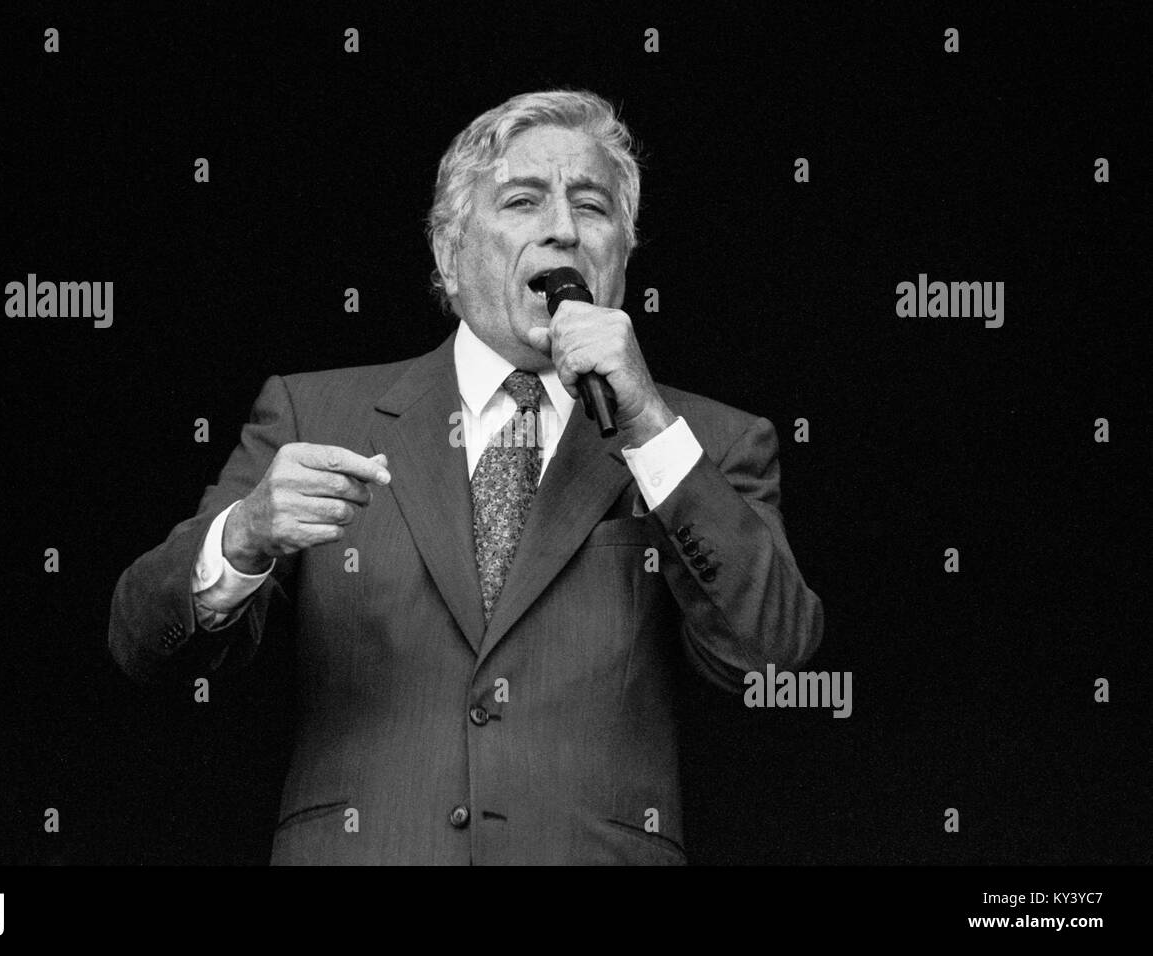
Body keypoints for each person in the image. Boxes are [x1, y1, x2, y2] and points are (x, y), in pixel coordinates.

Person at [109, 89, 824, 865]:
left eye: (592, 207)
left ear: (622, 253)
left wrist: (647, 422)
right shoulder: (315, 413)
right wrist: (243, 537)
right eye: (523, 200)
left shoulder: (708, 440)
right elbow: (143, 642)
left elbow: (772, 658)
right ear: (450, 258)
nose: (562, 227)